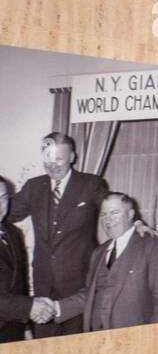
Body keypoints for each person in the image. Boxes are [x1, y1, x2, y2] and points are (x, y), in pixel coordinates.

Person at [5, 132, 109, 337]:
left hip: (79, 289)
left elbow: (112, 211)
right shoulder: (34, 186)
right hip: (43, 289)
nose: (53, 165)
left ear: (72, 157)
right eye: (48, 159)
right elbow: (6, 213)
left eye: (59, 159)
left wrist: (137, 223)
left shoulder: (91, 184)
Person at [44, 192, 158, 333]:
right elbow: (90, 295)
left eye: (114, 213)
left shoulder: (152, 246)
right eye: (104, 214)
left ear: (131, 215)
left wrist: (153, 339)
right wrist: (56, 308)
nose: (108, 219)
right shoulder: (98, 252)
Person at [0, 176, 48, 344]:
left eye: (3, 198)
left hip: (14, 330)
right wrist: (30, 307)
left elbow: (21, 285)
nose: (0, 205)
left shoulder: (14, 233)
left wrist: (26, 326)